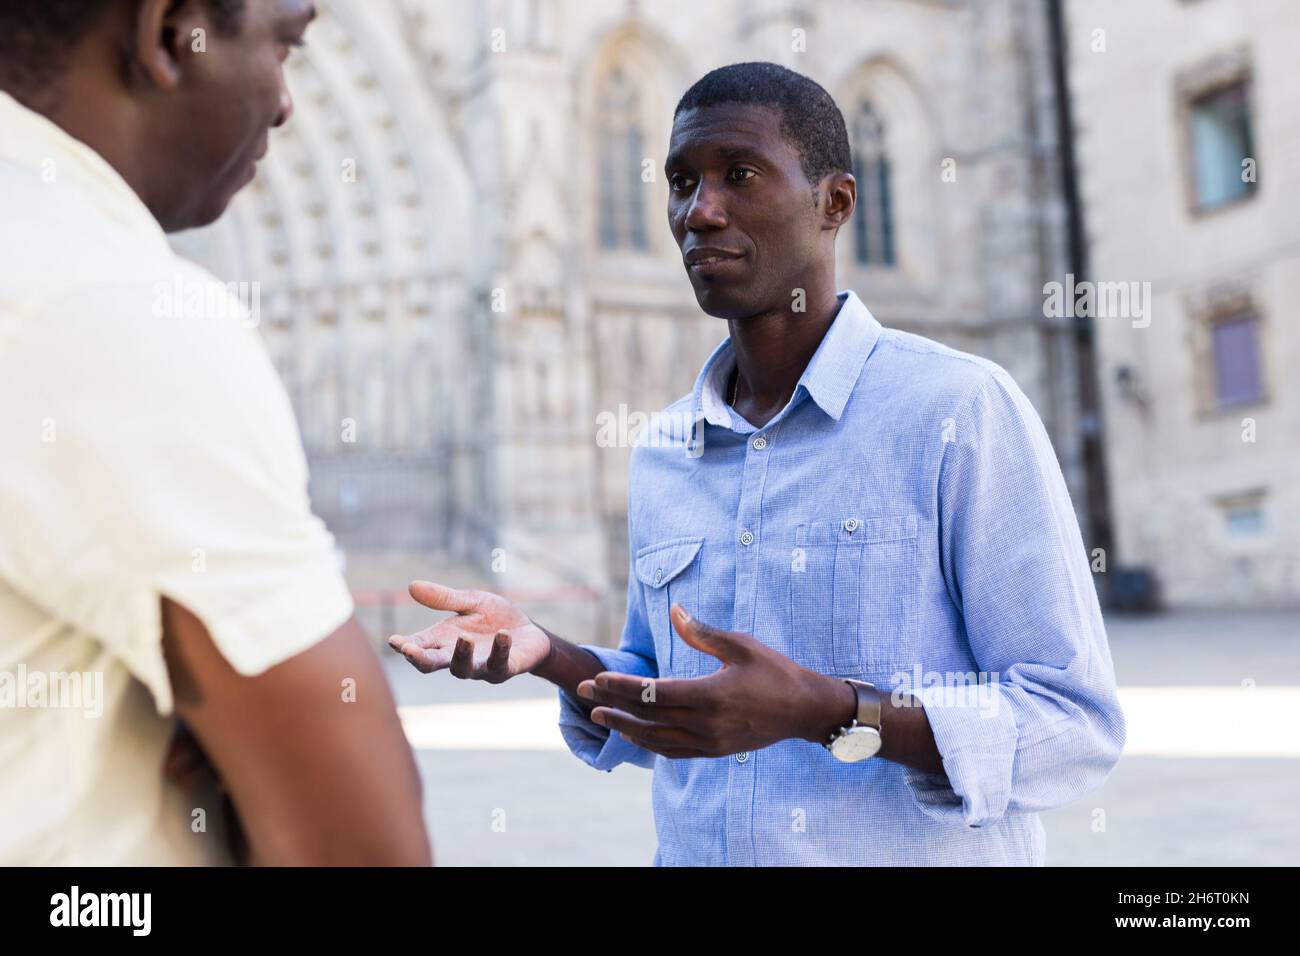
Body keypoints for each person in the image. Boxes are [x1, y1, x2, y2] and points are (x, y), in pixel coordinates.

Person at [392, 61, 1126, 866]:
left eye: (738, 175)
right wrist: (548, 653)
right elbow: (666, 685)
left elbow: (1073, 724)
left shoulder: (960, 411)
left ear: (835, 202)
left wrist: (830, 712)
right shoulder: (664, 450)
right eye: (680, 181)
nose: (698, 212)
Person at [0, 0, 430, 865]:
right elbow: (361, 850)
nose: (285, 102)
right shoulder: (108, 306)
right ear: (168, 36)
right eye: (285, 43)